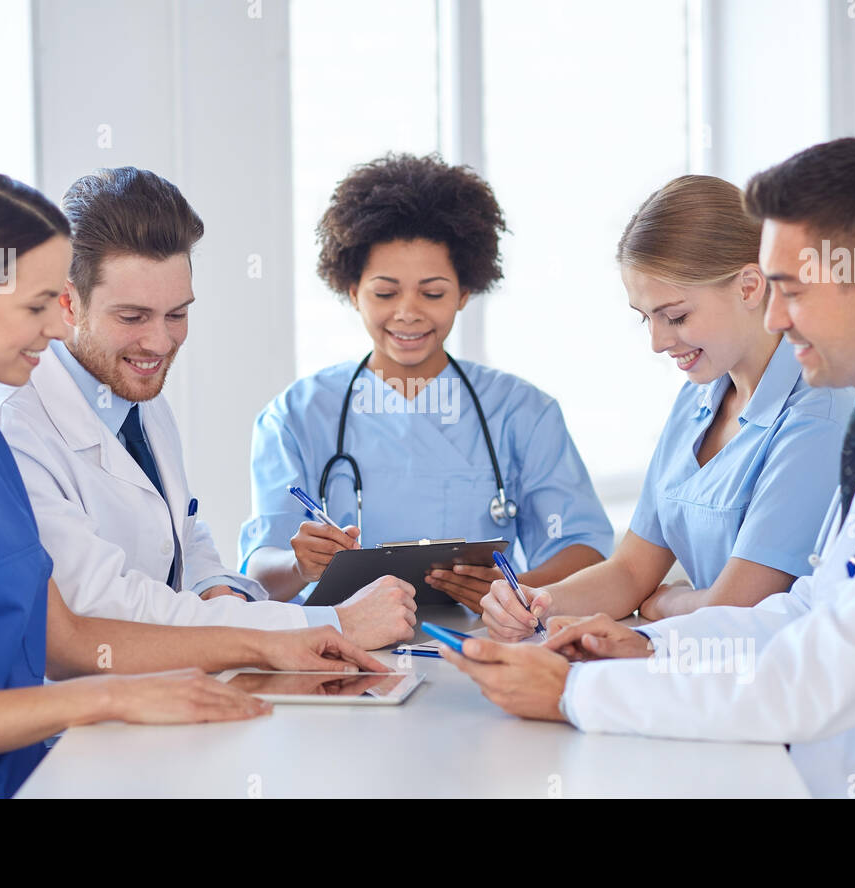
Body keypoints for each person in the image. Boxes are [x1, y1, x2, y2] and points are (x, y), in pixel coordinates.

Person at [443, 139, 855, 798]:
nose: (773, 317)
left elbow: (820, 675)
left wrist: (579, 693)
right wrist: (649, 650)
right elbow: (804, 613)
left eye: (791, 291)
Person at [0, 170, 387, 799]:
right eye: (38, 306)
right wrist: (117, 694)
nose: (59, 328)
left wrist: (275, 644)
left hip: (28, 778)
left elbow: (67, 637)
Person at [0, 167, 415, 650]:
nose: (160, 342)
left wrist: (212, 587)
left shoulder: (136, 392)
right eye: (132, 316)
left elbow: (180, 535)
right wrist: (330, 626)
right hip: (76, 708)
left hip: (166, 688)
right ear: (67, 303)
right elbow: (95, 603)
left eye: (177, 314)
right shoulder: (9, 424)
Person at [482, 175, 851, 640]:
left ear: (750, 286)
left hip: (775, 683)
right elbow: (632, 572)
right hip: (698, 672)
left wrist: (669, 602)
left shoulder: (817, 416)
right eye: (645, 318)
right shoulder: (699, 398)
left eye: (675, 316)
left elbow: (735, 607)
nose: (658, 342)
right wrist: (535, 602)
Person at [241, 153, 614, 611]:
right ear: (353, 291)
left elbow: (582, 548)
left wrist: (512, 593)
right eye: (385, 292)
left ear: (464, 293)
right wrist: (301, 567)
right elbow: (259, 571)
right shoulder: (296, 415)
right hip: (339, 655)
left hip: (485, 647)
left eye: (433, 293)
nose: (408, 312)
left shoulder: (523, 412)